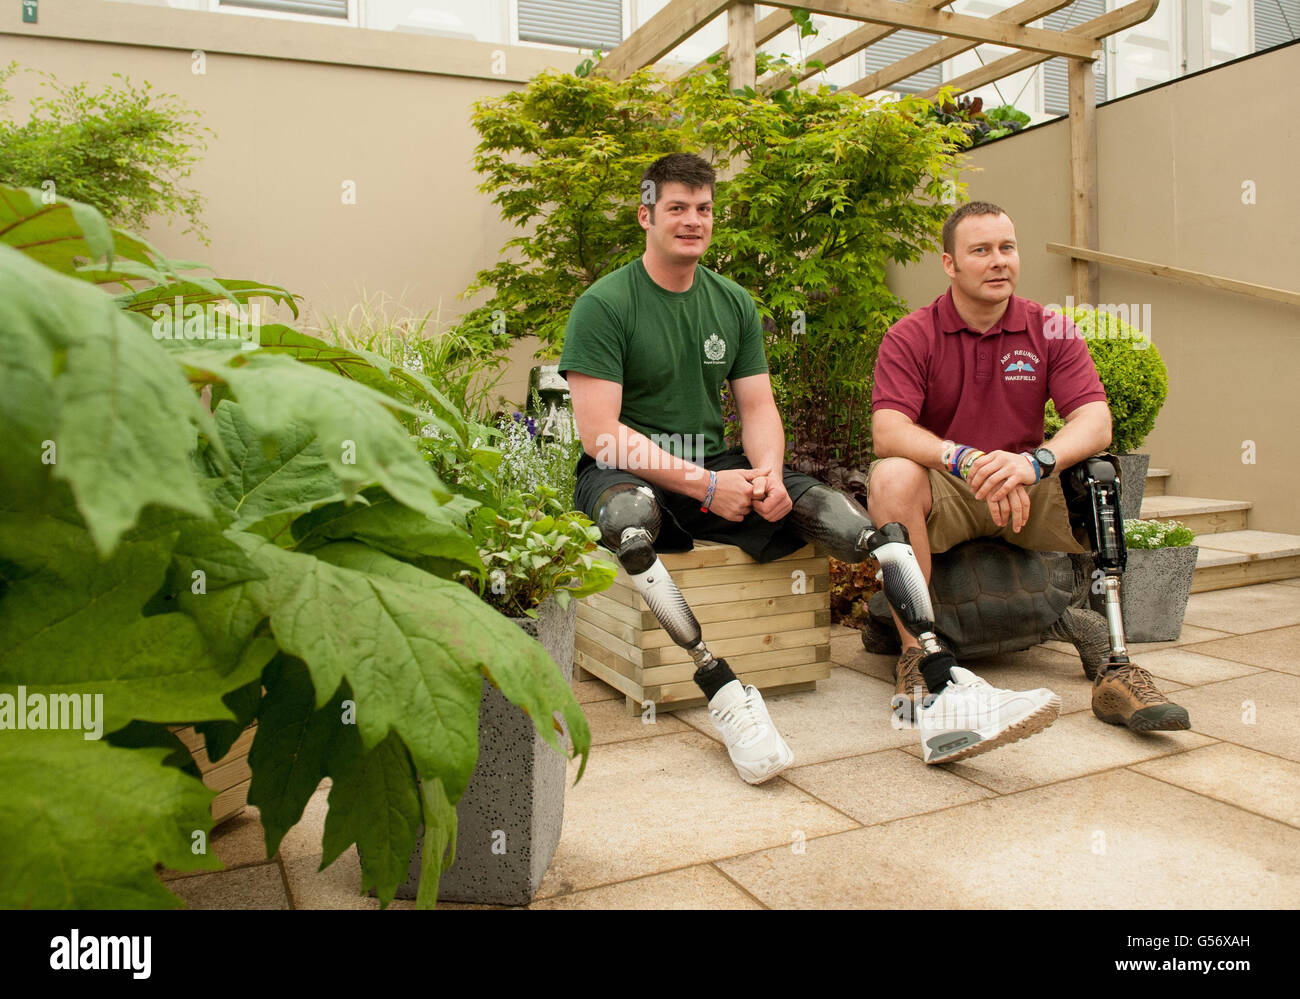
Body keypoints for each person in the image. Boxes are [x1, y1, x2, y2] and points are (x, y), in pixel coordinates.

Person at [558, 156, 1062, 784]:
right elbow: (602, 434)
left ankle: (940, 688)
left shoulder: (732, 303)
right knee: (631, 526)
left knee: (862, 526)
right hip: (625, 471)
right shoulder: (605, 304)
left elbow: (759, 407)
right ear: (646, 215)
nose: (693, 221)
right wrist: (705, 485)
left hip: (720, 467)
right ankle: (725, 694)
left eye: (704, 208)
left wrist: (765, 474)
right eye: (677, 208)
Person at [869, 200, 1189, 732]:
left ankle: (1117, 666)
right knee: (891, 475)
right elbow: (889, 431)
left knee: (1102, 474)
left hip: (1026, 485)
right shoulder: (912, 334)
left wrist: (1035, 462)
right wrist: (964, 457)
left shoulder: (1049, 327)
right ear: (949, 263)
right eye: (981, 251)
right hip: (950, 486)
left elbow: (1094, 419)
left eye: (1007, 248)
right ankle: (917, 654)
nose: (999, 262)